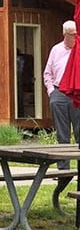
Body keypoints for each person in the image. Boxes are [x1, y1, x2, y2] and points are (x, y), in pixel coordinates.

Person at [43, 20, 79, 170]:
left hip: (76, 93)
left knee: (79, 132)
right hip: (59, 92)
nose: (75, 38)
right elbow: (47, 73)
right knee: (62, 134)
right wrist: (52, 92)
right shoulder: (56, 50)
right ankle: (63, 170)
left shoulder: (78, 50)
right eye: (72, 35)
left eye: (76, 34)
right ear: (65, 35)